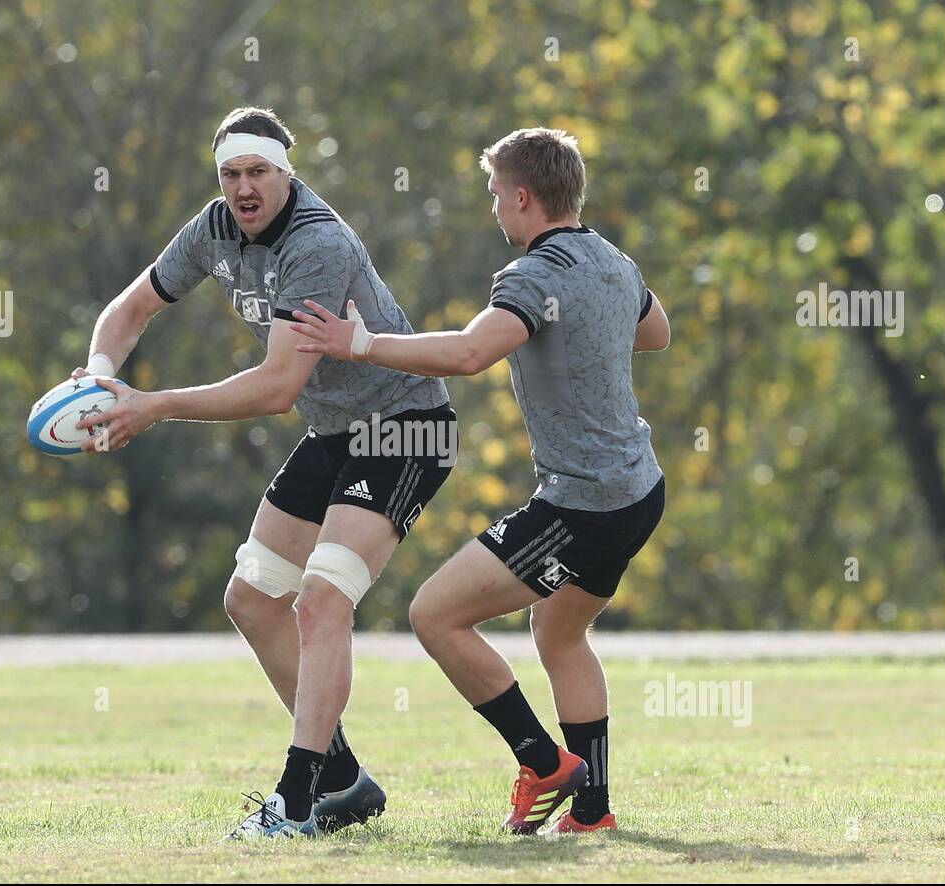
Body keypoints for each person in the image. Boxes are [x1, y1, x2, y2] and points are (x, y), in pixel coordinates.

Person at [73, 107, 457, 838]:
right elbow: (130, 308)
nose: (244, 188)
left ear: (287, 172)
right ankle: (343, 779)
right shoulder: (214, 227)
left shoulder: (319, 242)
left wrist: (153, 405)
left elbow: (278, 385)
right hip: (336, 431)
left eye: (258, 173)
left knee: (320, 599)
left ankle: (299, 799)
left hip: (404, 426)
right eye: (230, 174)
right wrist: (98, 379)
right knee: (250, 598)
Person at [291, 127, 669, 835]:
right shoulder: (614, 260)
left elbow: (468, 353)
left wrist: (359, 342)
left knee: (434, 613)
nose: (493, 206)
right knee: (559, 632)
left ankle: (544, 761)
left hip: (582, 504)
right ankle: (592, 810)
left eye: (496, 193)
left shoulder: (532, 275)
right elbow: (658, 332)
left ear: (523, 197)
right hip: (639, 490)